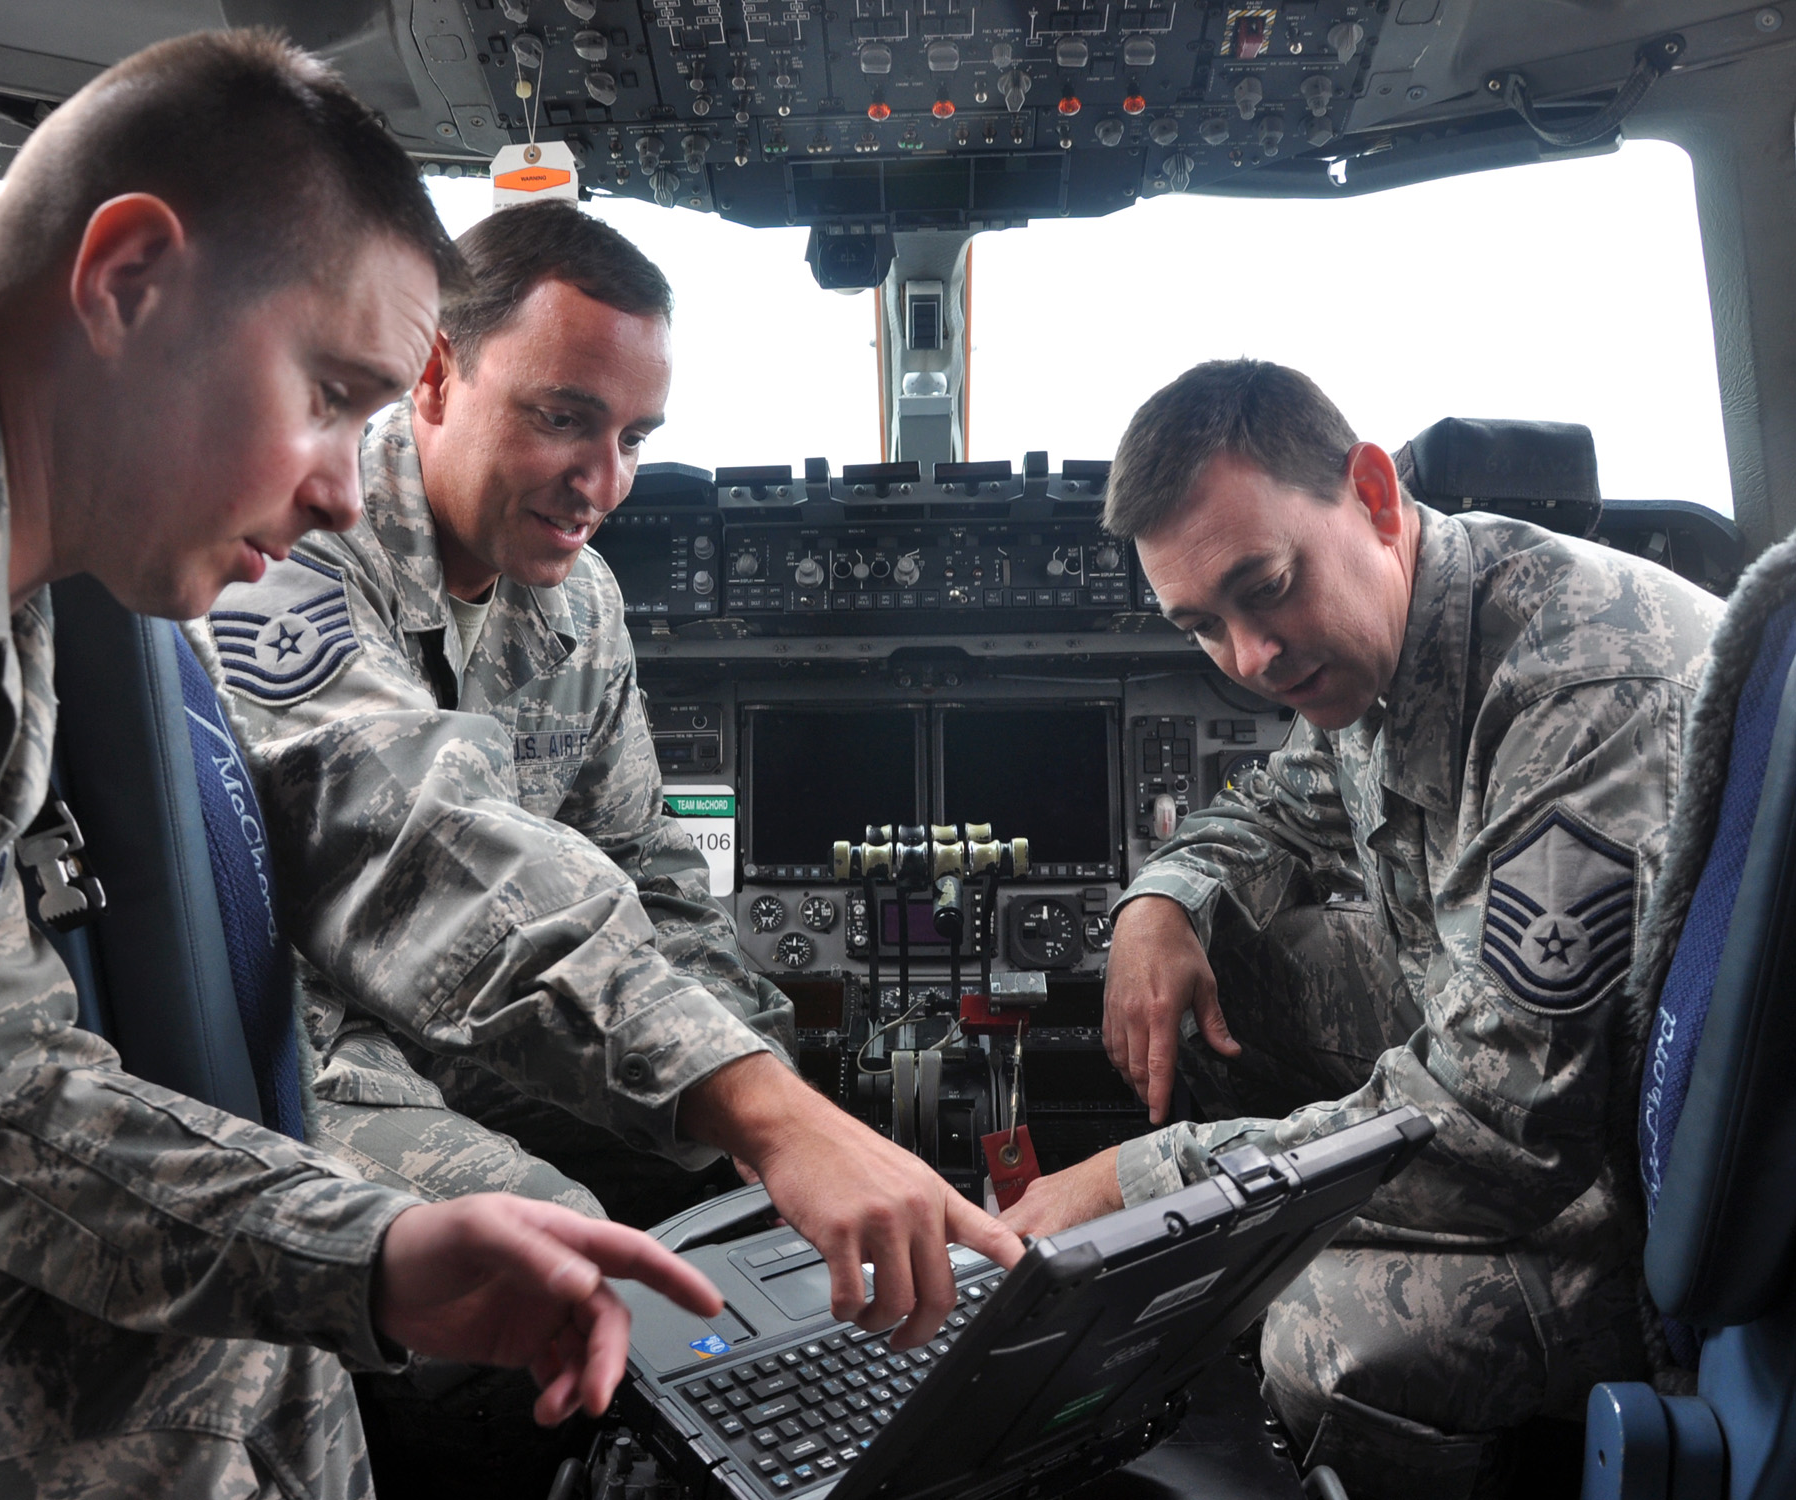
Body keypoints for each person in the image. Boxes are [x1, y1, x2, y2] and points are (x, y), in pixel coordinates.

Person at [0, 32, 723, 1499]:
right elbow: (391, 822)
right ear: (128, 281)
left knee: (267, 1390)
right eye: (334, 394)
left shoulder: (2, 635)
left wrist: (373, 1256)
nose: (346, 486)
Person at [192, 200, 1021, 1349]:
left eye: (633, 437)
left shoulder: (579, 604)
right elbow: (427, 852)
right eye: (564, 419)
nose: (603, 481)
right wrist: (765, 1113)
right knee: (572, 1254)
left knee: (722, 1193)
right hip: (305, 1042)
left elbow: (651, 870)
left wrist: (768, 1106)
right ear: (434, 373)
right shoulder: (297, 543)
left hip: (481, 1033)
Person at [998, 360, 1722, 1500]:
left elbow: (1499, 1132)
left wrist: (1149, 1188)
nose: (1249, 659)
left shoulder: (1580, 688)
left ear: (1374, 496)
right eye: (1202, 627)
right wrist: (1161, 896)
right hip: (1545, 1079)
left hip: (1648, 1197)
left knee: (1316, 1334)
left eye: (1266, 587)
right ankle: (1263, 1240)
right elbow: (1276, 807)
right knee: (1222, 962)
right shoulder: (1394, 636)